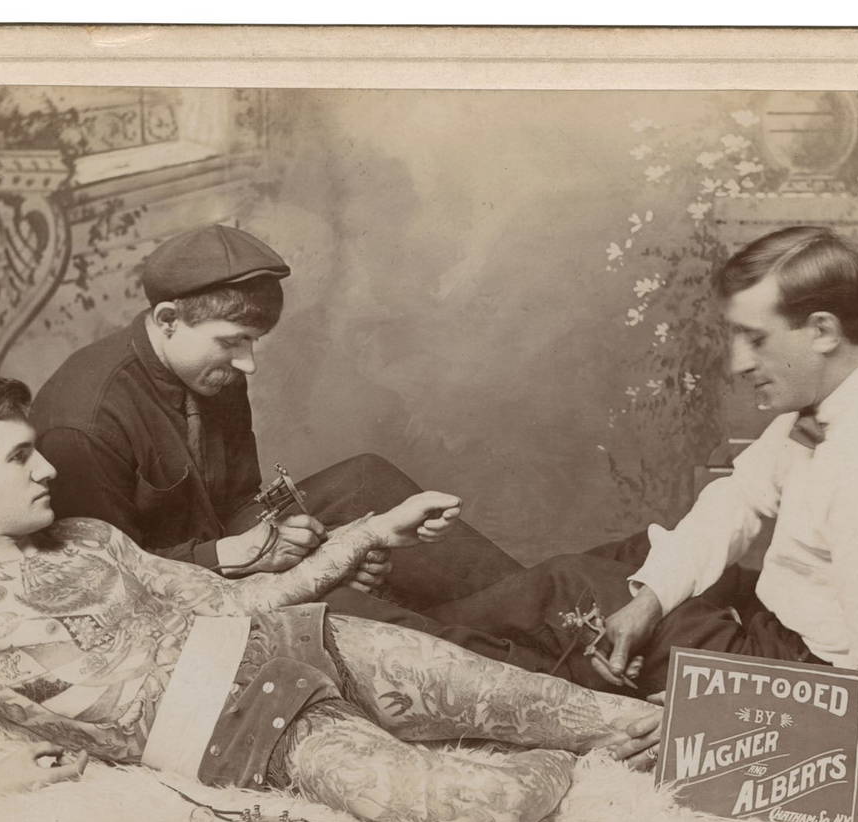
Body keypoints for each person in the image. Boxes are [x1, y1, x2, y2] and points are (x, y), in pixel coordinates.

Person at [0, 375, 661, 822]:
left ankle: (727, 741)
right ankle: (539, 757)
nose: (47, 471)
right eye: (21, 458)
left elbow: (244, 597)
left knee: (601, 716)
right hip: (250, 731)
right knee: (494, 806)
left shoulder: (92, 537)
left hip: (308, 642)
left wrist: (369, 533)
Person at [426, 226, 858, 798]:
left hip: (818, 680)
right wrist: (650, 600)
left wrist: (738, 724)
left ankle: (395, 648)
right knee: (631, 564)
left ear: (821, 330)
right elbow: (741, 495)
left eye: (755, 338)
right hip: (794, 619)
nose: (738, 362)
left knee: (567, 590)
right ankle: (444, 631)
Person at [29, 223, 541, 668]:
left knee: (365, 479)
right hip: (160, 598)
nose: (248, 363)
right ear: (167, 320)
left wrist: (315, 540)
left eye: (254, 342)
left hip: (223, 549)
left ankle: (545, 615)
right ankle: (531, 672)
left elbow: (239, 502)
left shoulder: (214, 373)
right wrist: (295, 560)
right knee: (343, 607)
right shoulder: (86, 423)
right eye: (232, 341)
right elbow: (112, 582)